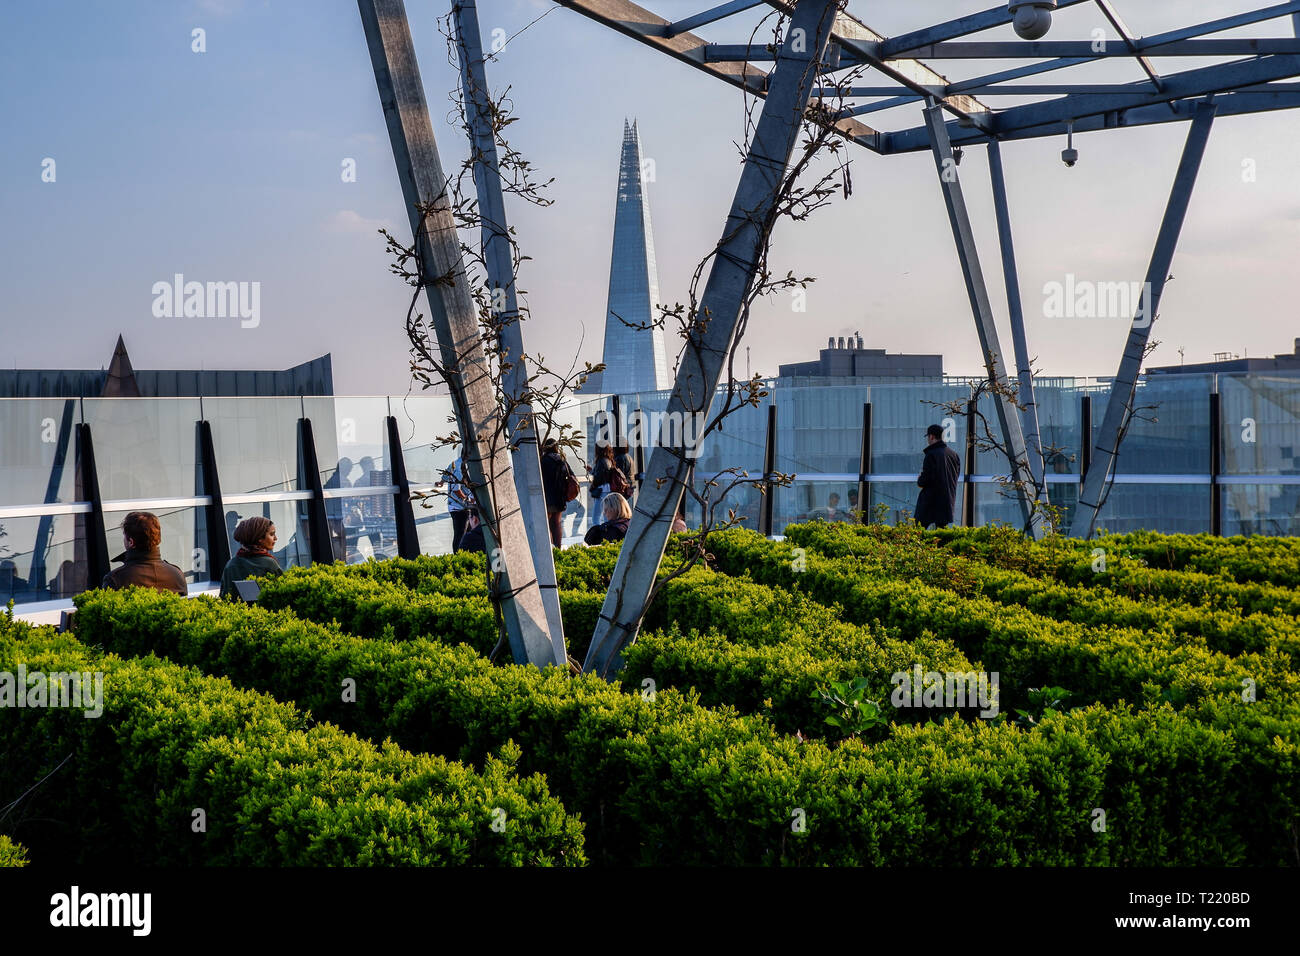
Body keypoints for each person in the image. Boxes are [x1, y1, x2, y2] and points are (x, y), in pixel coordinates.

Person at [101, 511, 187, 595]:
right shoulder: (177, 575)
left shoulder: (115, 579)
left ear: (131, 542)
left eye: (124, 536)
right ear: (158, 538)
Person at [219, 516, 283, 600]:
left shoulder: (231, 564)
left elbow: (224, 596)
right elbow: (282, 595)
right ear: (259, 537)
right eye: (271, 534)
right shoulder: (269, 564)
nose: (275, 538)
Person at [915, 424, 962, 529]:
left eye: (928, 437)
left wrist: (920, 480)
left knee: (917, 531)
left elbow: (925, 479)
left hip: (930, 502)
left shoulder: (931, 454)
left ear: (931, 436)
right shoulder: (954, 455)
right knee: (942, 535)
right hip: (947, 501)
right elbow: (955, 476)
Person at [540, 438, 575, 548]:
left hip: (547, 496)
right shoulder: (562, 460)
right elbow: (572, 475)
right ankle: (558, 547)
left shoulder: (543, 460)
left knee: (546, 524)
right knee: (556, 523)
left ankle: (549, 549)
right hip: (560, 496)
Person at [439, 456, 471, 553]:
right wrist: (468, 499)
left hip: (458, 505)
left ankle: (464, 555)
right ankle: (458, 556)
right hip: (460, 507)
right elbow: (457, 490)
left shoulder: (455, 463)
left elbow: (447, 472)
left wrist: (441, 481)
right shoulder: (460, 467)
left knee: (464, 533)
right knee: (461, 534)